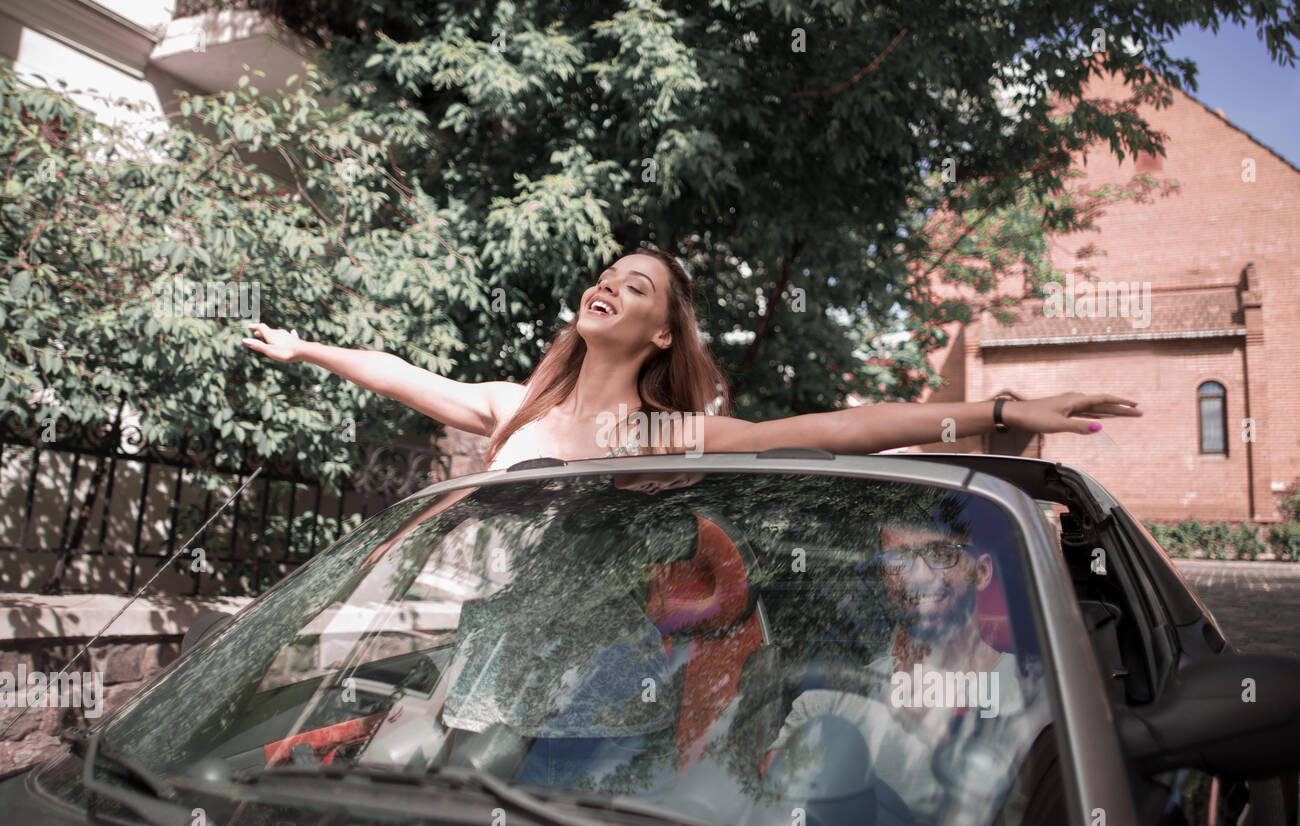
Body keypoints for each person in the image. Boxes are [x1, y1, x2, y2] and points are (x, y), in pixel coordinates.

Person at [242, 248, 1142, 470]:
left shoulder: (660, 435)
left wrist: (999, 410)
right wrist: (305, 349)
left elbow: (836, 429)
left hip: (589, 694)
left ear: (663, 334)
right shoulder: (518, 410)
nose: (608, 285)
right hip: (481, 673)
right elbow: (398, 372)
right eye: (607, 276)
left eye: (636, 287)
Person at [758, 511, 1051, 826]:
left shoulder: (1037, 700)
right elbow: (765, 811)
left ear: (982, 572)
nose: (919, 577)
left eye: (941, 554)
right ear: (885, 576)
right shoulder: (829, 699)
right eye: (898, 559)